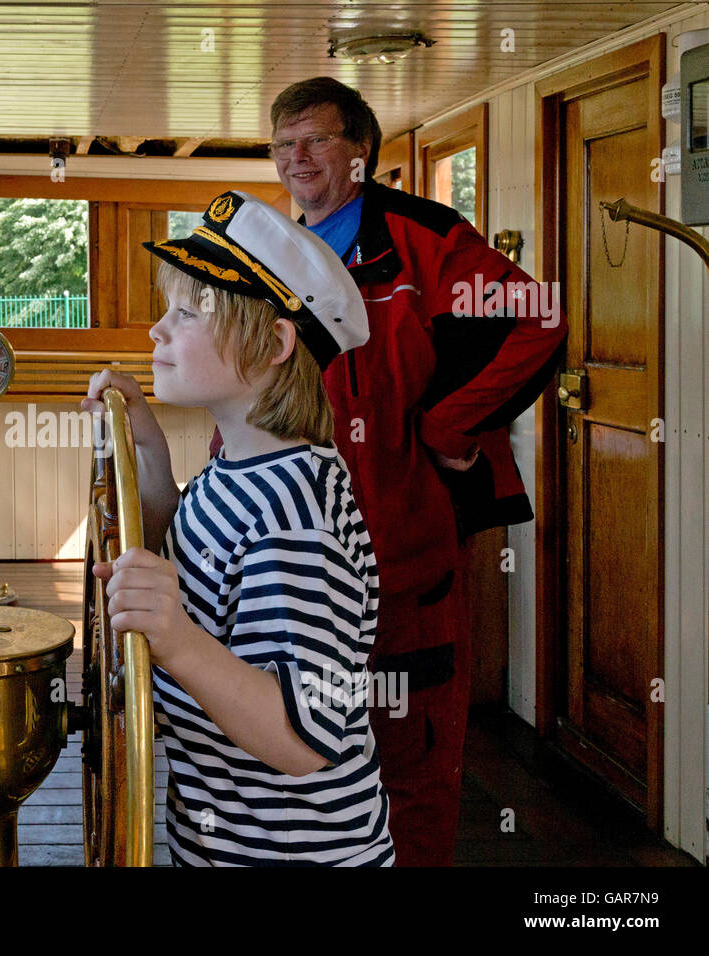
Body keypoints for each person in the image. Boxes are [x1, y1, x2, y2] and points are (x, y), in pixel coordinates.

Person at [217, 76, 570, 865]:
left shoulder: (423, 237)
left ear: (361, 150)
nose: (296, 158)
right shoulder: (271, 251)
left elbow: (537, 317)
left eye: (315, 139)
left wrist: (451, 423)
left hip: (405, 543)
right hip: (295, 547)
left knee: (409, 753)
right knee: (298, 745)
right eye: (282, 144)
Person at [82, 190, 391, 865]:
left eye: (189, 313)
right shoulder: (241, 468)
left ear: (276, 343)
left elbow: (303, 740)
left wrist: (176, 641)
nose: (159, 330)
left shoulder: (297, 517)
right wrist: (152, 457)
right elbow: (195, 567)